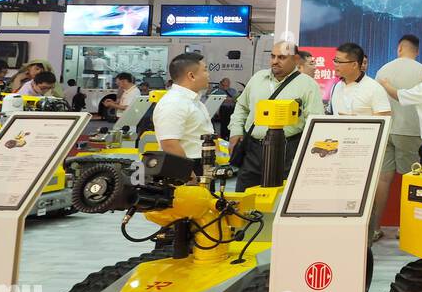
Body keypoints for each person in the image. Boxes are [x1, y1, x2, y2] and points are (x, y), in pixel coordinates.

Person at [229, 41, 325, 191]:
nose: (275, 61)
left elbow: (314, 122)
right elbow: (242, 106)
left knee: (280, 197)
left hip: (287, 151)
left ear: (295, 59)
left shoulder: (307, 85)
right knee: (244, 196)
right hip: (253, 150)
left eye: (282, 57)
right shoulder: (258, 78)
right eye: (272, 56)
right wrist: (235, 132)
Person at [372, 33, 422, 225]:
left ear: (399, 48)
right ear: (417, 51)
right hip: (410, 131)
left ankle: (375, 227)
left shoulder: (383, 69)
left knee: (382, 180)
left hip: (385, 130)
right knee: (411, 179)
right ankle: (407, 227)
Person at [154, 52, 213, 162]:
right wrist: (188, 171)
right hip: (186, 165)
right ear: (191, 76)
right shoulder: (173, 102)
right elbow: (169, 144)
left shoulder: (195, 102)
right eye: (205, 70)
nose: (208, 75)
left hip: (202, 162)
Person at [330, 42, 392, 119]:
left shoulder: (374, 88)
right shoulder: (336, 87)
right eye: (335, 61)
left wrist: (356, 122)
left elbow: (384, 118)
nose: (335, 65)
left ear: (354, 65)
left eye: (339, 62)